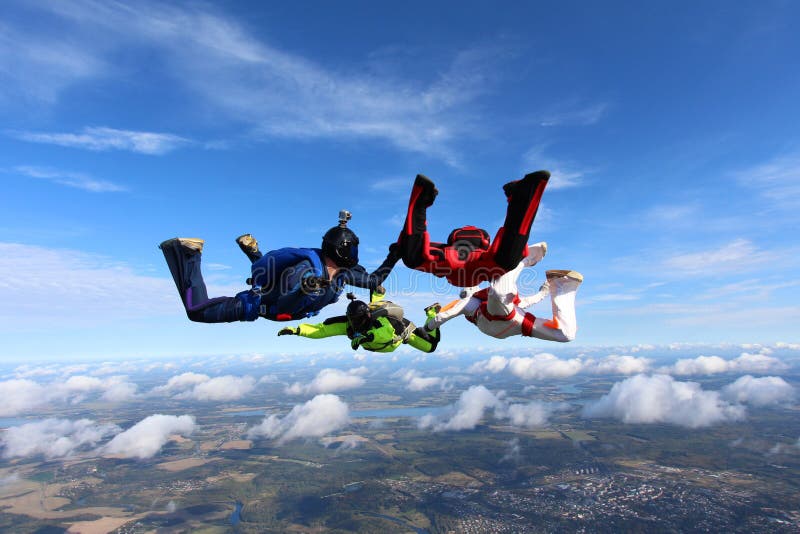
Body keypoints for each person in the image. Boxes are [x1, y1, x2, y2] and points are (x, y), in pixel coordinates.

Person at [159, 211, 399, 323]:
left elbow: (373, 280)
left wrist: (395, 255)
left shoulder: (343, 275)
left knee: (269, 276)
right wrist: (306, 288)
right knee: (196, 312)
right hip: (256, 306)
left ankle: (254, 252)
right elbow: (281, 302)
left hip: (279, 304)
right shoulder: (307, 270)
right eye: (352, 250)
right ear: (343, 252)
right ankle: (189, 254)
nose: (354, 255)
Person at [394, 171, 549, 287]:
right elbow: (421, 248)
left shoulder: (450, 257)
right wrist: (406, 247)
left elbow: (424, 248)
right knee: (507, 261)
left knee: (414, 257)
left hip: (457, 258)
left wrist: (404, 247)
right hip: (477, 261)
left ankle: (422, 198)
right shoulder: (484, 262)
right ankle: (522, 194)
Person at [424, 243, 583, 342]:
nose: (469, 287)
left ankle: (562, 285)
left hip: (510, 323)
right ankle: (524, 260)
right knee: (499, 293)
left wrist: (545, 291)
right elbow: (444, 315)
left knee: (566, 334)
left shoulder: (479, 299)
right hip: (494, 321)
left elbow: (525, 303)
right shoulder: (471, 301)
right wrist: (427, 328)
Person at [278, 292, 441, 353]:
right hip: (380, 344)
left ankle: (432, 313)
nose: (355, 324)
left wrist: (367, 337)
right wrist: (297, 330)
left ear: (367, 316)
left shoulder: (379, 322)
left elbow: (385, 332)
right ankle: (376, 294)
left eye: (358, 320)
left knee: (430, 346)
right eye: (352, 320)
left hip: (402, 334)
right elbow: (322, 330)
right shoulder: (348, 324)